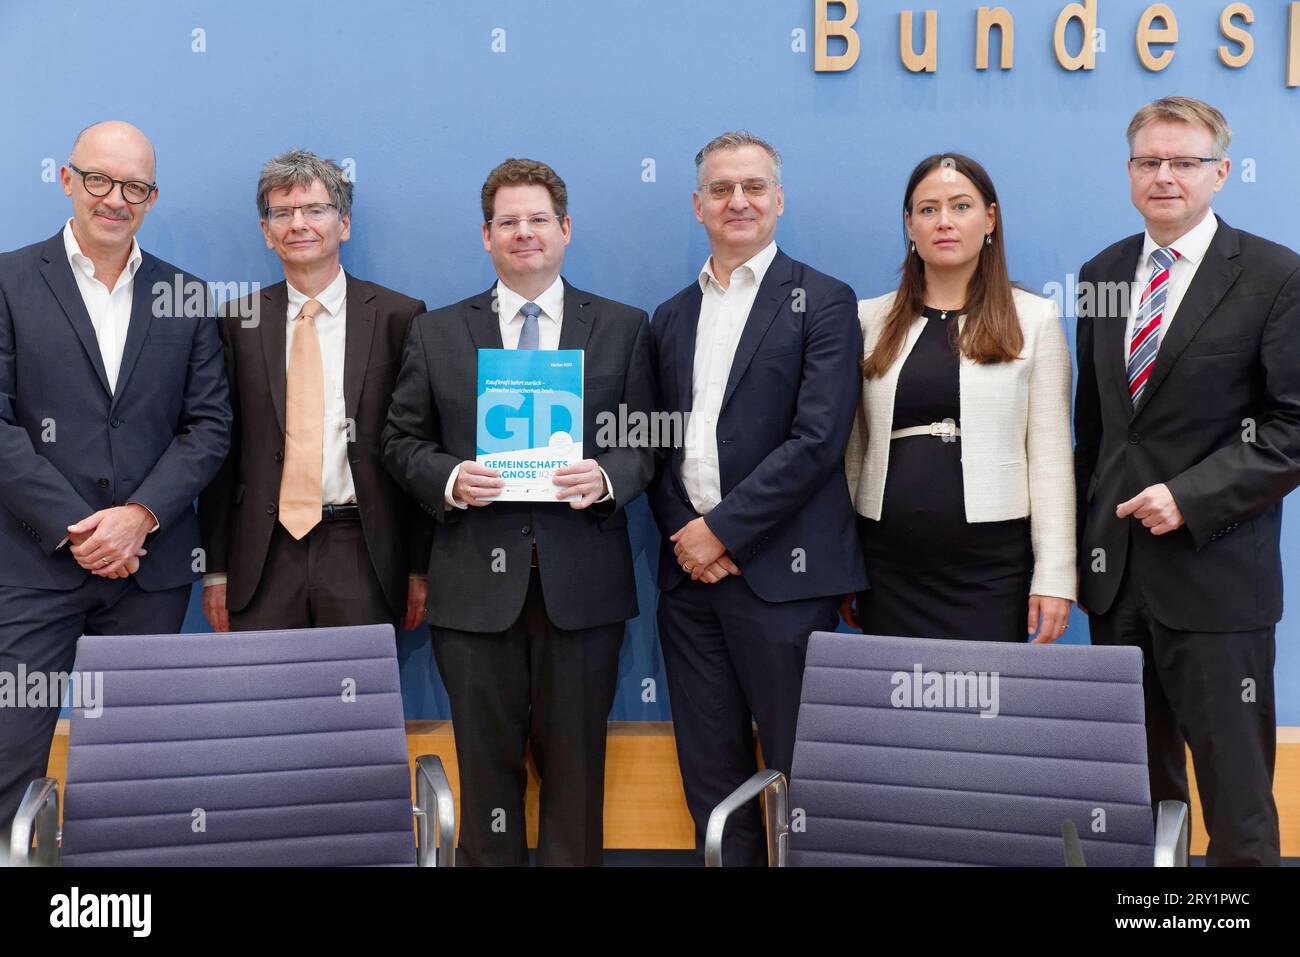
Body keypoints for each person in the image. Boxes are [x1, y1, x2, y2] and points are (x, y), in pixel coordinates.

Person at [381, 158, 655, 866]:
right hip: (474, 592)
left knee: (576, 783)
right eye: (509, 222)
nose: (524, 233)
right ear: (486, 236)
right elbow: (398, 440)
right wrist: (447, 478)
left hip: (583, 588)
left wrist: (606, 474)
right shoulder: (437, 331)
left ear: (565, 229)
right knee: (486, 782)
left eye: (538, 220)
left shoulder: (624, 327)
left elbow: (649, 440)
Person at [1075, 96, 1300, 866]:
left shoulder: (1276, 275)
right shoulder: (1103, 273)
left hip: (1218, 585)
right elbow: (1097, 433)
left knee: (1237, 813)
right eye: (1149, 161)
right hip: (1116, 585)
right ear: (1130, 171)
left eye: (1184, 162)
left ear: (1222, 172)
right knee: (1132, 801)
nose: (1164, 176)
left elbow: (1292, 429)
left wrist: (1190, 496)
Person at [0, 120, 230, 841]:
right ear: (66, 180)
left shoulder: (187, 296)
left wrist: (137, 516)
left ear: (151, 197)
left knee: (139, 774)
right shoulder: (7, 280)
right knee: (8, 759)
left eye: (133, 186)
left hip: (147, 571)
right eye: (98, 179)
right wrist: (78, 527)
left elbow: (209, 426)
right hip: (32, 569)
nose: (114, 198)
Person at [649, 131, 866, 866]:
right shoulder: (670, 315)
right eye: (720, 189)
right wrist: (690, 536)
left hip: (786, 580)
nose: (736, 200)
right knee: (711, 780)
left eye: (752, 187)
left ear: (779, 199)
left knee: (802, 778)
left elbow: (817, 439)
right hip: (691, 584)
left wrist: (723, 533)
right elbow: (654, 444)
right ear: (697, 204)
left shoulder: (826, 301)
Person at [843, 153, 1075, 643]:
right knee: (898, 714)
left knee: (984, 716)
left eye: (961, 206)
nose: (943, 222)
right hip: (887, 565)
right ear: (909, 224)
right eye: (927, 210)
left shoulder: (1034, 319)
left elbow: (1051, 460)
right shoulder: (868, 319)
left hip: (992, 568)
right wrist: (842, 562)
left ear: (990, 218)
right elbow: (851, 452)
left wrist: (1055, 576)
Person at [198, 149, 430, 632]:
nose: (298, 224)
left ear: (343, 224)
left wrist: (418, 564)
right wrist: (215, 569)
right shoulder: (238, 321)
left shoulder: (398, 317)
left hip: (362, 547)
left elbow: (417, 445)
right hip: (263, 553)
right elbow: (222, 452)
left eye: (315, 210)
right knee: (269, 702)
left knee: (359, 701)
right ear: (266, 232)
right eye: (282, 213)